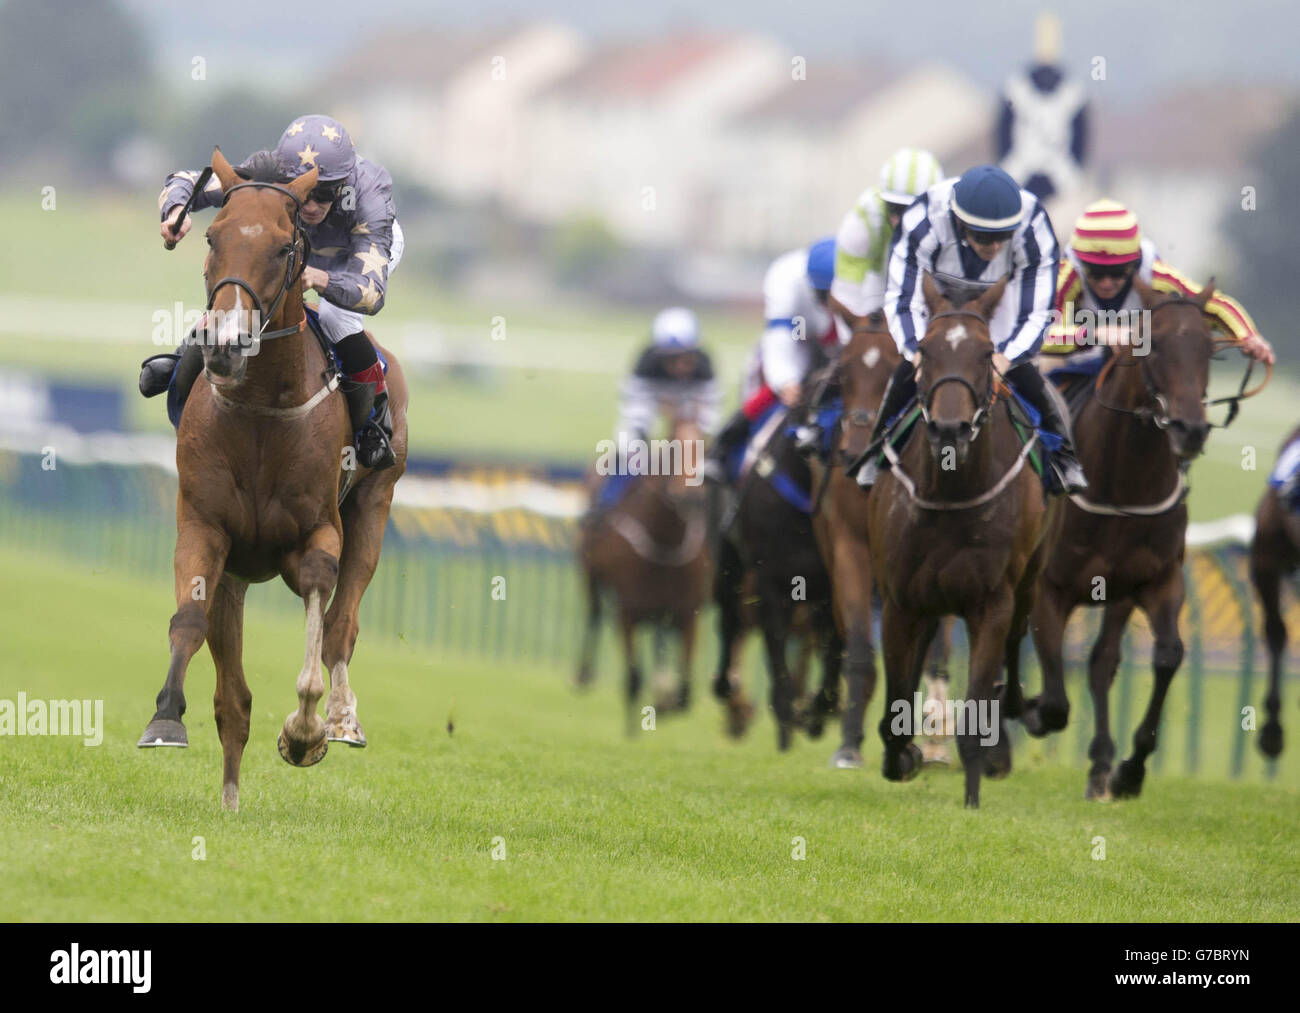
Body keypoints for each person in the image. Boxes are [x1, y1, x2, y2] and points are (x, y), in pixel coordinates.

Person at [139, 114, 403, 469]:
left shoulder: (370, 192)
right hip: (295, 242)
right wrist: (176, 211)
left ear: (343, 183)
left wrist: (321, 279)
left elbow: (371, 293)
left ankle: (374, 417)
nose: (310, 205)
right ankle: (185, 356)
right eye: (303, 189)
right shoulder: (269, 168)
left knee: (336, 316)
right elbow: (186, 180)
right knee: (246, 278)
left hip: (353, 252)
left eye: (323, 194)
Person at [855, 164, 1088, 493]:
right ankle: (876, 447)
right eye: (982, 237)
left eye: (1002, 237)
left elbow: (1036, 313)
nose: (993, 247)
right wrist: (918, 355)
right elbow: (902, 300)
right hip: (940, 299)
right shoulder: (924, 218)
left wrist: (1004, 360)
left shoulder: (1033, 223)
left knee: (1024, 372)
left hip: (1003, 297)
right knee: (910, 369)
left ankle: (1064, 455)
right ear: (959, 220)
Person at [1042, 198, 1275, 371]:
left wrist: (1248, 336)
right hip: (1076, 369)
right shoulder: (1067, 274)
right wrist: (1097, 334)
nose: (1106, 282)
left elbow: (1215, 305)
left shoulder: (1156, 275)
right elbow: (1038, 336)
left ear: (1134, 263)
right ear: (1081, 264)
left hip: (1141, 370)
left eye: (1117, 272)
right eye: (1095, 272)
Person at [705, 238, 837, 482]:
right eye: (824, 293)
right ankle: (724, 445)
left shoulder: (862, 273)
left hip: (836, 340)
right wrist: (786, 381)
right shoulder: (786, 277)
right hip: (797, 335)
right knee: (782, 388)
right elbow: (781, 339)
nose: (830, 300)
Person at [589, 307, 721, 515]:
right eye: (671, 360)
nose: (679, 366)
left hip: (688, 421)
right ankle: (606, 504)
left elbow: (709, 415)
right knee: (630, 450)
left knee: (714, 458)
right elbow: (636, 410)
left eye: (686, 358)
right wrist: (641, 435)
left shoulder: (704, 367)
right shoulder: (646, 364)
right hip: (648, 410)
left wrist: (696, 430)